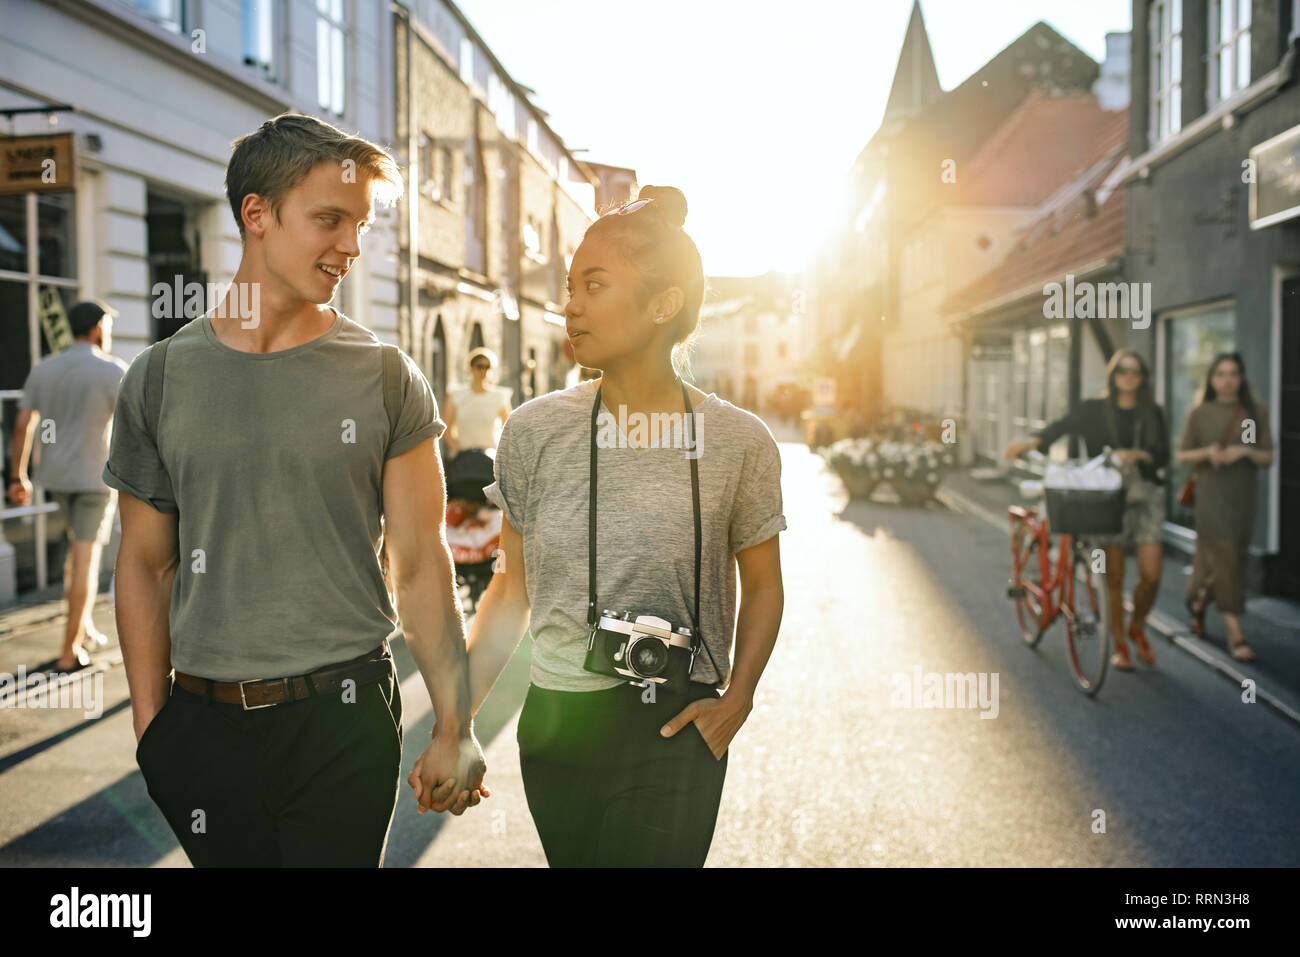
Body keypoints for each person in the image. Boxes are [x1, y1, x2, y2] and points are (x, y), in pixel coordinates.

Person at [103, 113, 485, 868]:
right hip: (205, 730)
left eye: (360, 225)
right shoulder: (160, 377)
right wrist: (153, 733)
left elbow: (418, 560)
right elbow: (146, 564)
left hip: (342, 722)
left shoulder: (384, 376)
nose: (350, 245)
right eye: (330, 220)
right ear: (257, 214)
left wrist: (454, 722)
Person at [469, 186, 787, 867]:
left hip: (678, 726)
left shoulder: (738, 441)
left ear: (662, 303)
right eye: (569, 286)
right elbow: (508, 589)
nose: (571, 304)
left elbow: (763, 586)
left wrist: (739, 699)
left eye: (594, 284)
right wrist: (454, 722)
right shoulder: (533, 430)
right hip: (559, 725)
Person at [1004, 349, 1170, 671]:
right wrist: (1029, 444)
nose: (1128, 376)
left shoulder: (1153, 412)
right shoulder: (1094, 410)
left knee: (1151, 574)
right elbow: (1061, 427)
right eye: (1122, 370)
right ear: (1113, 373)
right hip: (1105, 496)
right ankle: (1120, 644)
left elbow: (1162, 455)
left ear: (1143, 377)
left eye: (1135, 371)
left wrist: (1137, 454)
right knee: (1114, 576)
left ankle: (1137, 626)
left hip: (1145, 494)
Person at [9, 300, 128, 671]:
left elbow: (22, 423)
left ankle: (85, 627)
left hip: (56, 480)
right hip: (95, 480)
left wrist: (17, 475)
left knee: (74, 559)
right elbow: (133, 427)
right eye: (106, 326)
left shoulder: (46, 368)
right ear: (95, 329)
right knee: (86, 562)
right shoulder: (111, 370)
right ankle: (68, 652)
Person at [1176, 352, 1274, 662]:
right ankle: (1236, 635)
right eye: (1220, 374)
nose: (1227, 380)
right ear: (1211, 379)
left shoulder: (1254, 413)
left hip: (1243, 498)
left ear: (1241, 378)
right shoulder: (1200, 413)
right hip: (1211, 497)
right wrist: (1208, 452)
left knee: (1223, 561)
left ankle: (1196, 604)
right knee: (1226, 558)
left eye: (1233, 373)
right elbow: (1182, 456)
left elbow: (1267, 457)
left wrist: (1243, 451)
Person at [442, 347, 512, 458]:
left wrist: (499, 452)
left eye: (487, 367)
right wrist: (456, 448)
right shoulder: (456, 395)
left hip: (489, 458)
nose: (483, 371)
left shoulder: (499, 397)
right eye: (479, 366)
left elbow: (508, 429)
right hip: (462, 458)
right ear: (471, 368)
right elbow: (446, 427)